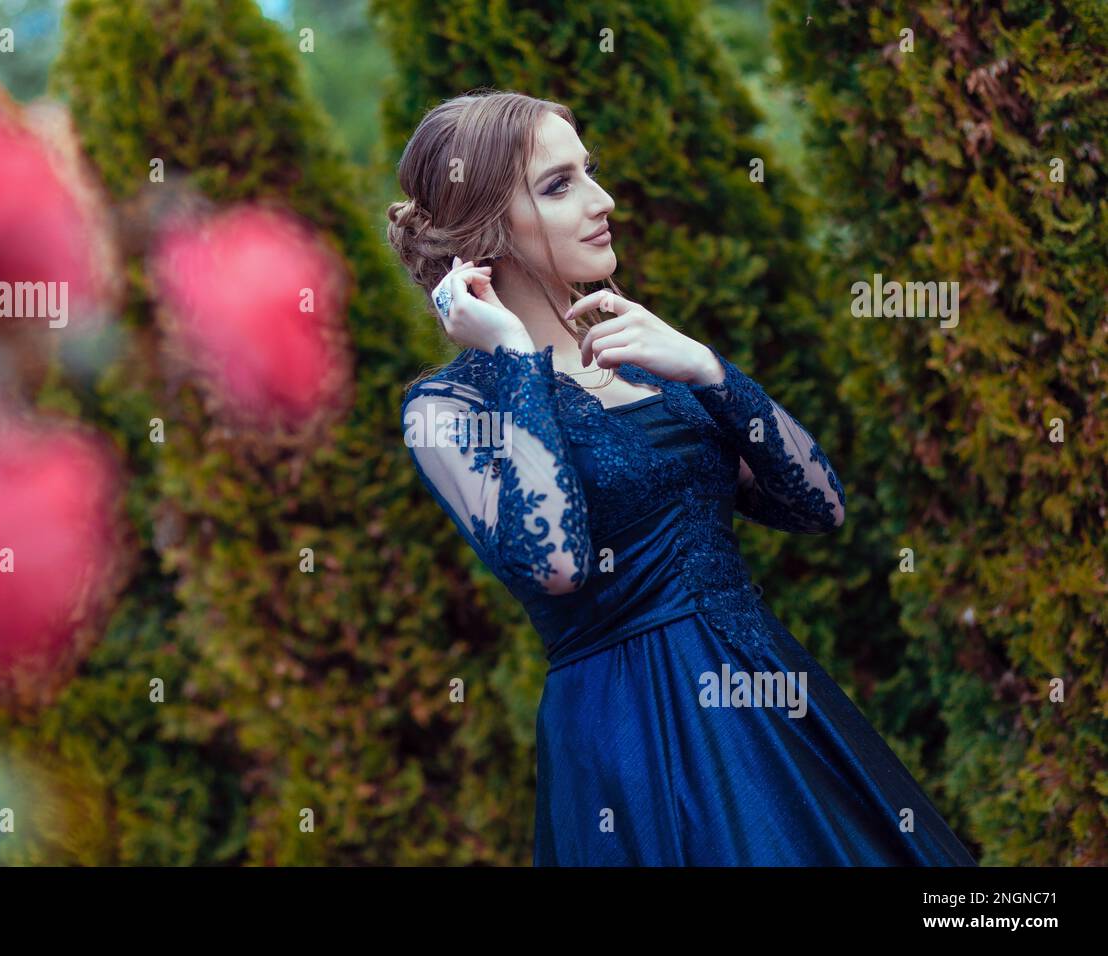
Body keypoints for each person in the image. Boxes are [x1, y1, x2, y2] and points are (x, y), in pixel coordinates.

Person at [389, 90, 977, 866]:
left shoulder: (641, 356)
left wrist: (709, 370)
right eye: (560, 185)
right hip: (636, 731)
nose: (602, 202)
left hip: (768, 694)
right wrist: (512, 357)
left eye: (588, 172)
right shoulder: (448, 407)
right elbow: (556, 562)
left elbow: (819, 506)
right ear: (488, 228)